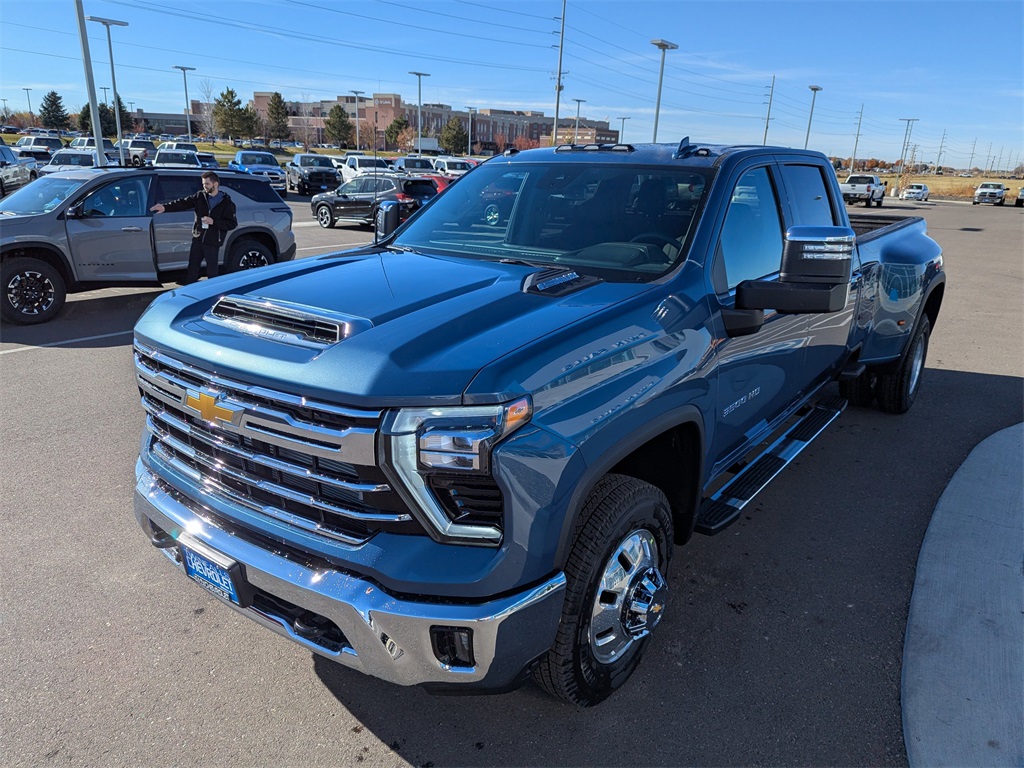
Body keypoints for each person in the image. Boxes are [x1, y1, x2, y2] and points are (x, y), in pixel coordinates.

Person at [150, 171, 237, 283]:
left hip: (213, 241)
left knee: (212, 271)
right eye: (203, 184)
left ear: (215, 184)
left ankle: (213, 293)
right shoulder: (200, 196)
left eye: (207, 184)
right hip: (198, 238)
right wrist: (165, 207)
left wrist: (213, 222)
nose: (204, 186)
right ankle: (191, 291)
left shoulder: (226, 203)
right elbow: (182, 203)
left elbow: (232, 224)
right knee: (192, 268)